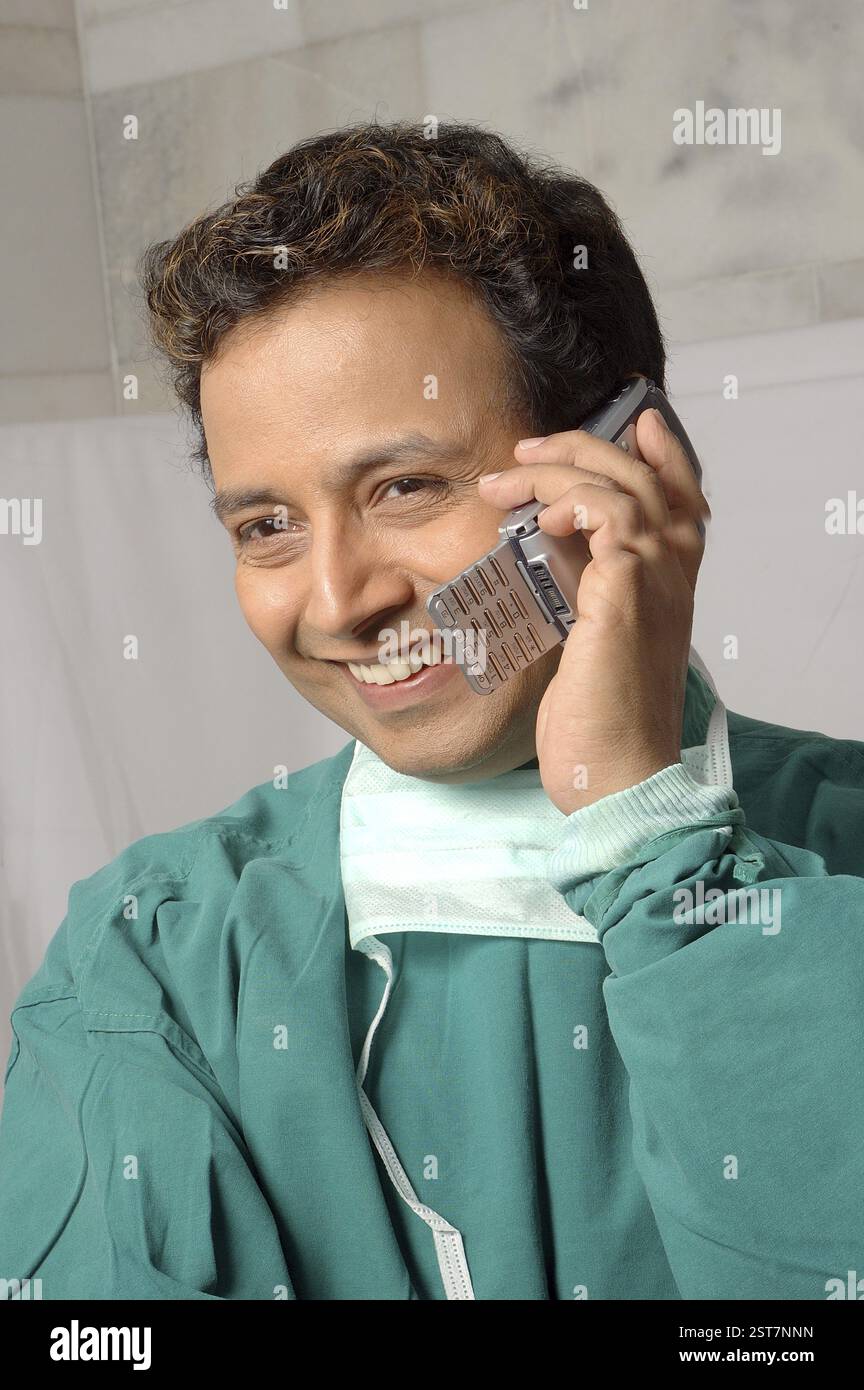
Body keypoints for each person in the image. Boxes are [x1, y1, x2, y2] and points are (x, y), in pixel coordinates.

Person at [1, 120, 862, 1302]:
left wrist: (646, 832)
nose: (343, 599)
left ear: (629, 463)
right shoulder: (149, 956)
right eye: (267, 526)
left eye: (405, 486)